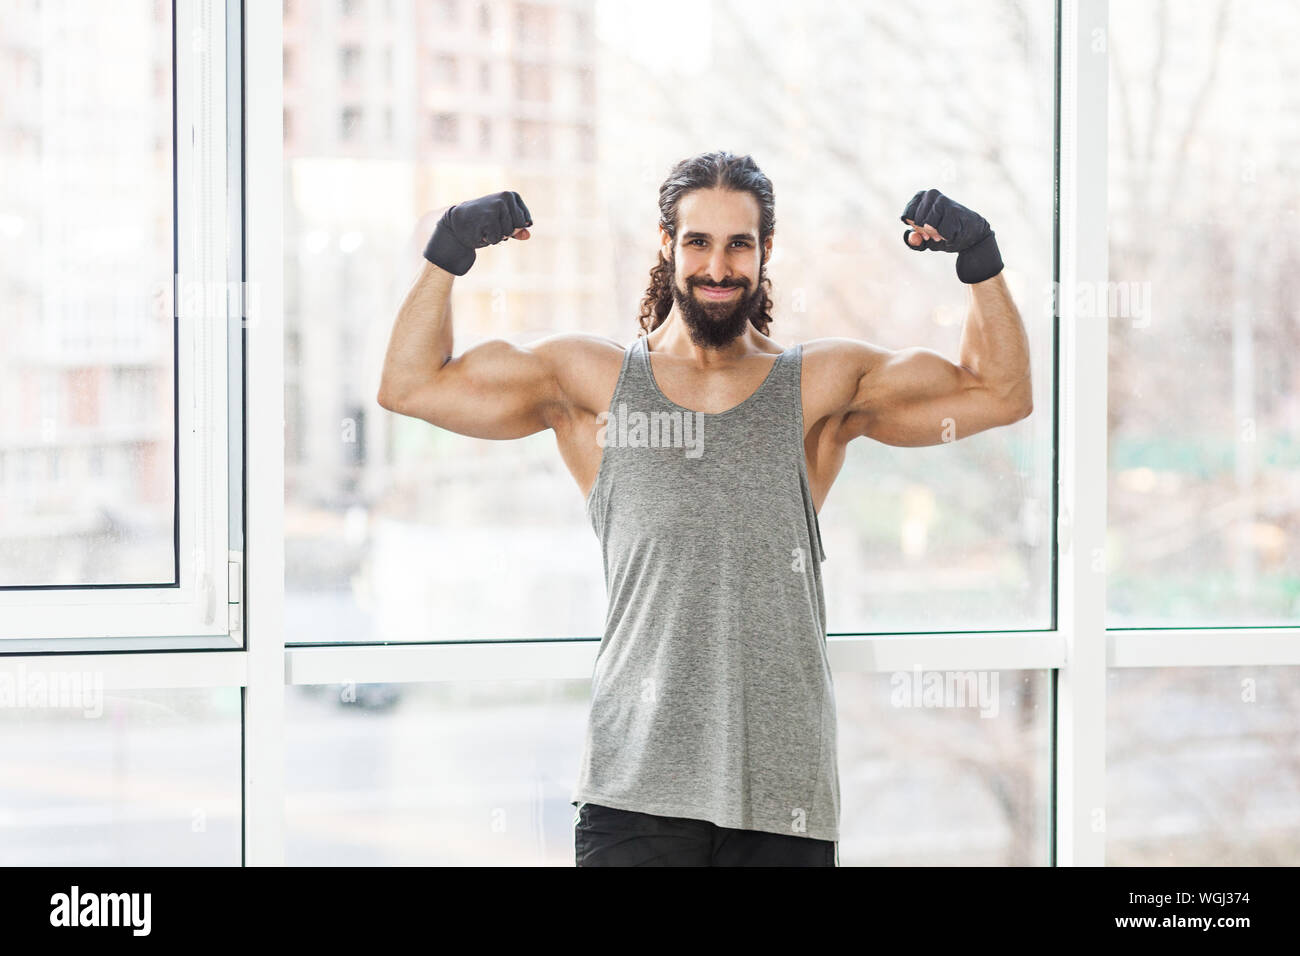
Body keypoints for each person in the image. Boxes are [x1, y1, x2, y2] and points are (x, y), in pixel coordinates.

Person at [377, 150, 1033, 867]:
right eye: (698, 242)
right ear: (667, 244)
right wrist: (447, 252)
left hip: (784, 799)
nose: (718, 267)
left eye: (738, 244)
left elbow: (999, 393)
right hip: (635, 796)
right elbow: (411, 386)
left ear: (765, 250)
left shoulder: (818, 385)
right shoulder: (590, 381)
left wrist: (981, 261)